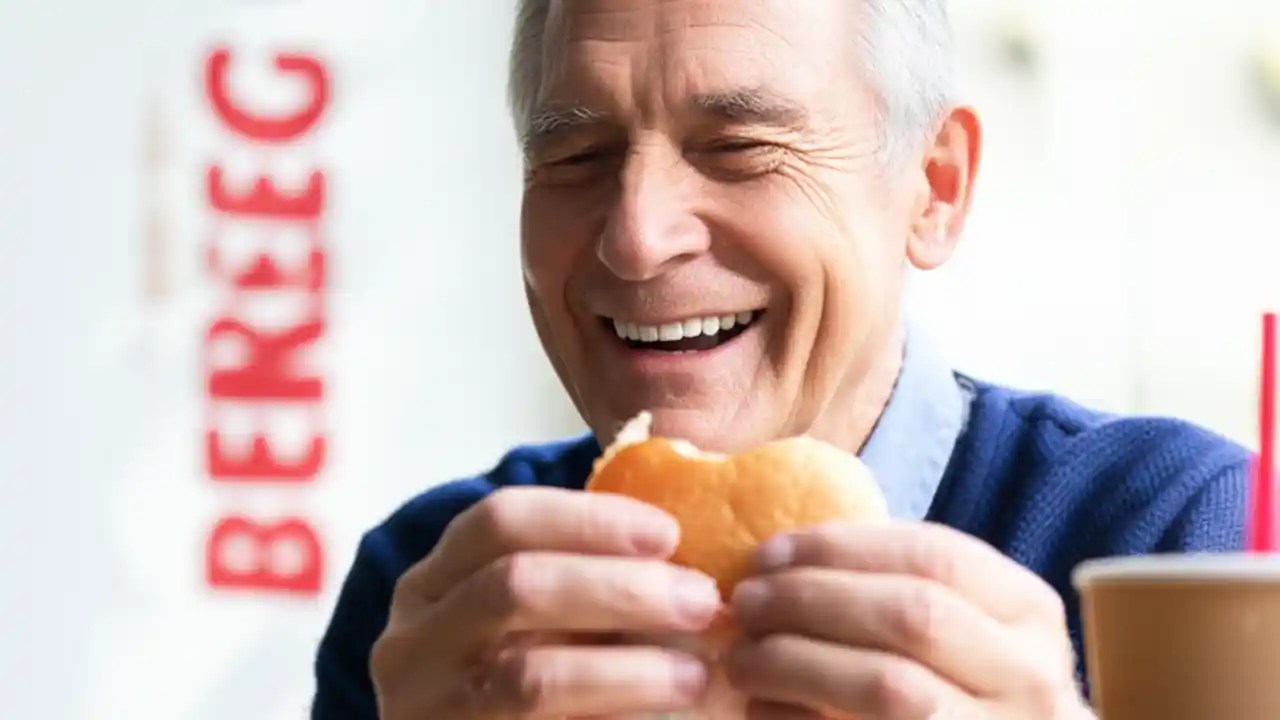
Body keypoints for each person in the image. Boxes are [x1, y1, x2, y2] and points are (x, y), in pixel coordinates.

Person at [312, 0, 1249, 717]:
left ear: (934, 190)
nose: (636, 238)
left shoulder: (1179, 536)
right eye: (575, 158)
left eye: (738, 148)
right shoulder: (444, 593)